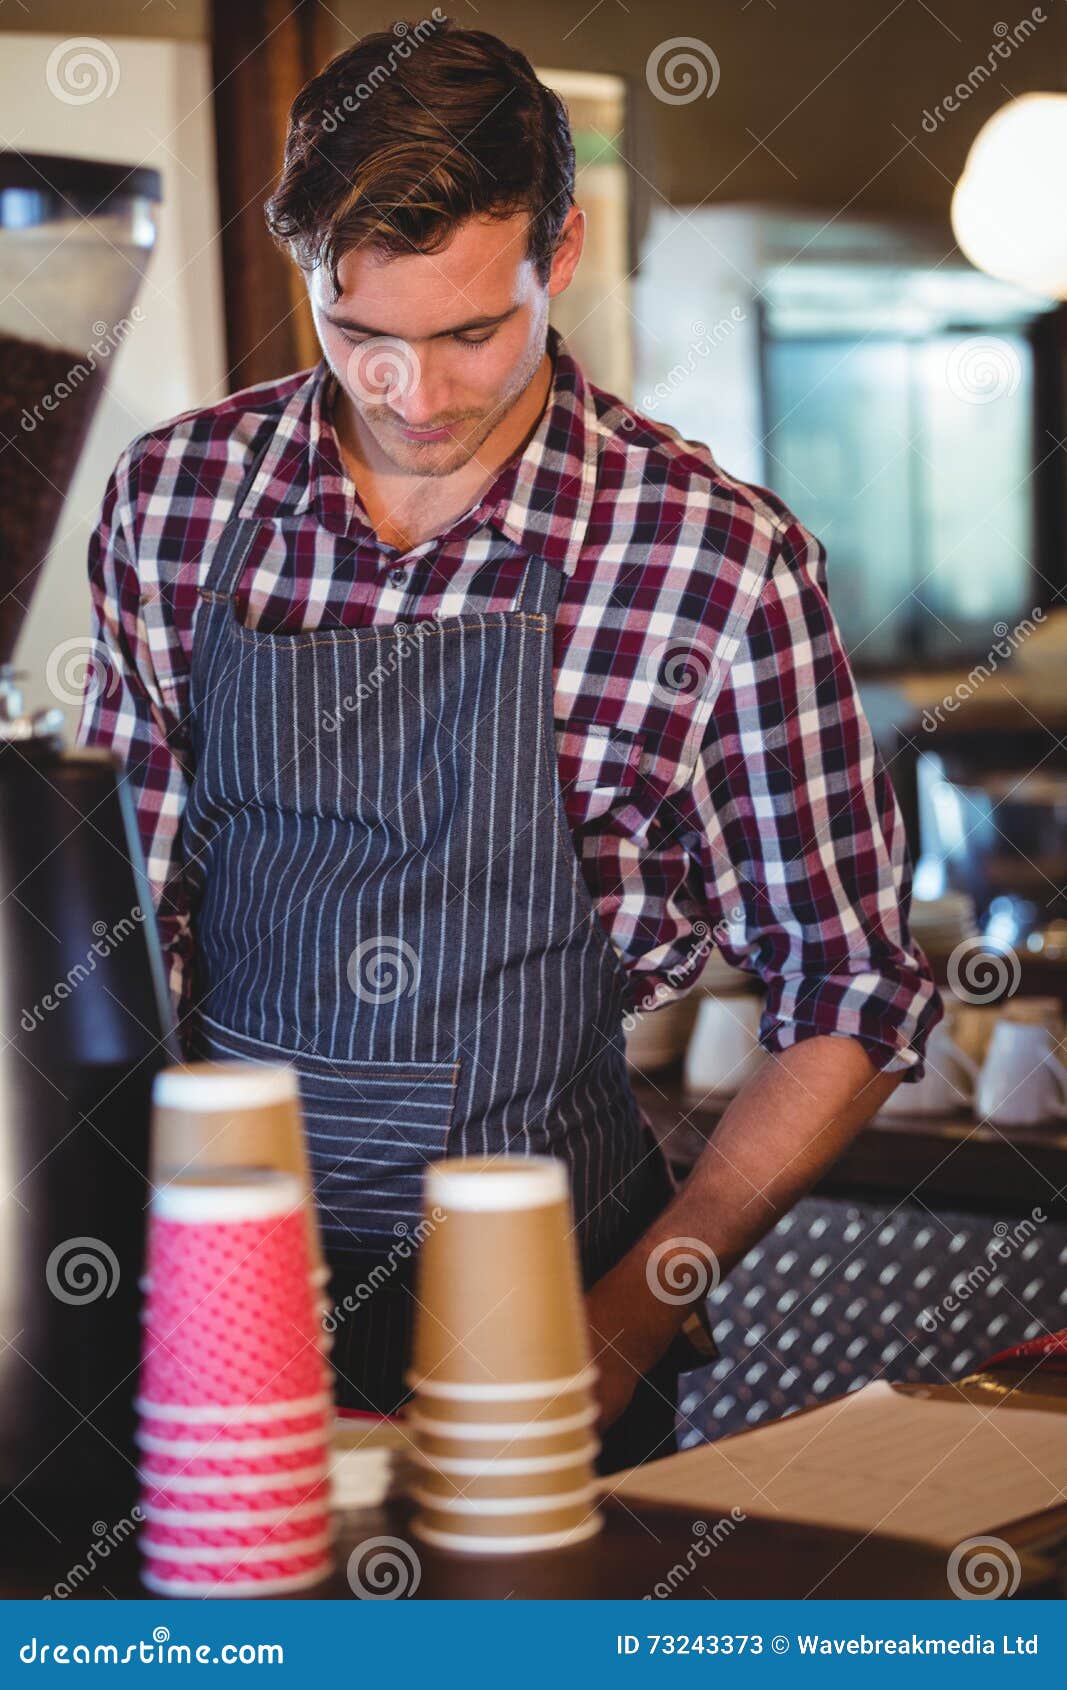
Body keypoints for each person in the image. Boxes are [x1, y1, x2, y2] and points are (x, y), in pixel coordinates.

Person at [79, 20, 940, 1473]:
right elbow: (116, 925)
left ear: (563, 250)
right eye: (360, 336)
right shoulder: (176, 502)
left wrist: (635, 1311)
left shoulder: (713, 562)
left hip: (555, 1302)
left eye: (471, 331)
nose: (414, 396)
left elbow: (847, 987)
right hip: (214, 1300)